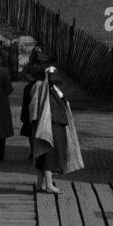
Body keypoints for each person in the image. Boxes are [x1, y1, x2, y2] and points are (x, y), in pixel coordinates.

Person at [28, 63, 84, 193]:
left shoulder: (54, 89)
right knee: (48, 153)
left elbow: (64, 100)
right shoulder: (41, 87)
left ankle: (41, 183)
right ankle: (48, 184)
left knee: (47, 153)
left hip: (55, 122)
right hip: (48, 124)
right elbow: (34, 107)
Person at [19, 47, 47, 160]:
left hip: (30, 111)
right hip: (39, 108)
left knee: (31, 133)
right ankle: (37, 150)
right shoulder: (42, 70)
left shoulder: (29, 86)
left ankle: (33, 150)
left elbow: (26, 103)